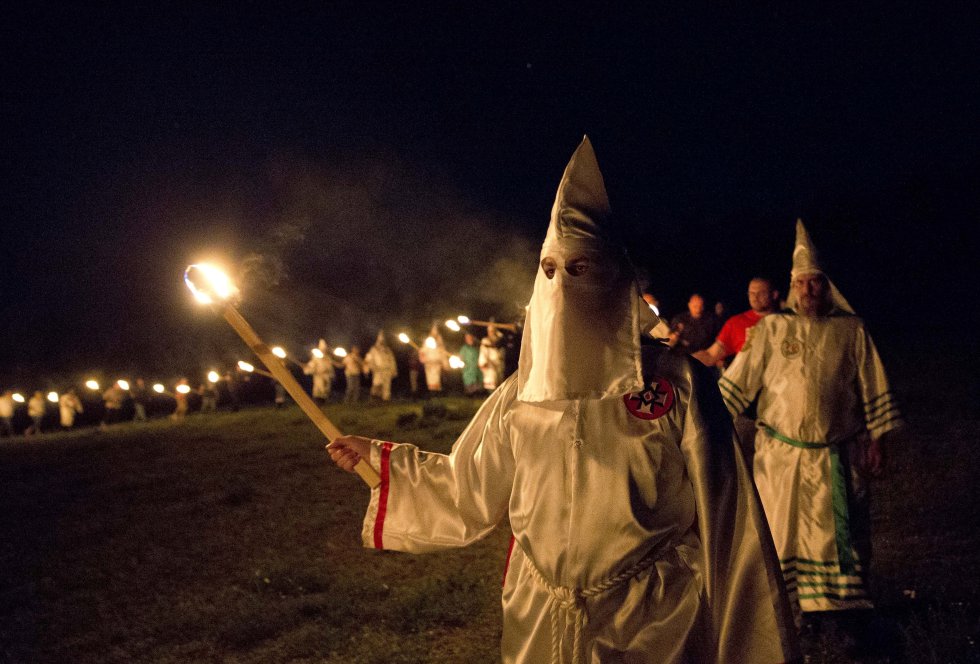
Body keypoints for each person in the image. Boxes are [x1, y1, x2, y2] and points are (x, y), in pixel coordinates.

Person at [328, 137, 799, 663]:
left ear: (614, 278)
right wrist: (376, 459)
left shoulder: (675, 386)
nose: (565, 285)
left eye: (581, 269)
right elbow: (468, 486)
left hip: (651, 618)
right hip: (541, 614)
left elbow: (728, 516)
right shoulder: (520, 394)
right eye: (551, 270)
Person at [720, 220, 904, 654]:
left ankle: (839, 619)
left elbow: (871, 382)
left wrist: (877, 436)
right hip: (779, 458)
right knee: (780, 536)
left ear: (827, 286)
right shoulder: (770, 332)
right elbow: (737, 383)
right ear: (792, 288)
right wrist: (705, 420)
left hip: (833, 456)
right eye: (801, 284)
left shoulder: (852, 331)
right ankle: (790, 617)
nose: (808, 291)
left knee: (836, 541)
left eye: (815, 283)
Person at [364, 331, 398, 401]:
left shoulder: (388, 350)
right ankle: (374, 398)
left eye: (383, 341)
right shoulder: (373, 349)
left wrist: (394, 370)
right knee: (376, 384)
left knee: (387, 385)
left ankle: (386, 399)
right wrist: (366, 369)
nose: (382, 342)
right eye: (380, 341)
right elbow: (368, 360)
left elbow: (392, 361)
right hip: (378, 370)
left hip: (387, 370)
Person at [418, 324, 449, 393]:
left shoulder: (440, 344)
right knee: (431, 380)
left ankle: (437, 394)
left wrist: (445, 364)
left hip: (437, 364)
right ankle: (432, 393)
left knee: (437, 380)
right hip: (429, 364)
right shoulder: (428, 342)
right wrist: (422, 356)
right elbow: (423, 352)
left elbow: (443, 354)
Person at [304, 339, 336, 403]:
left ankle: (324, 402)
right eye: (322, 350)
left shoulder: (328, 358)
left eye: (324, 350)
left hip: (327, 376)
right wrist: (308, 369)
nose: (324, 351)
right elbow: (311, 366)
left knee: (326, 390)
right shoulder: (316, 358)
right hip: (318, 376)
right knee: (318, 390)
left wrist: (332, 375)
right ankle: (316, 403)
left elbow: (330, 367)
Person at [478, 323, 506, 391]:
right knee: (491, 380)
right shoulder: (485, 340)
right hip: (490, 363)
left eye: (493, 331)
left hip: (499, 363)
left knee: (500, 380)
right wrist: (483, 362)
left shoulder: (499, 340)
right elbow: (483, 352)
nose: (492, 333)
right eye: (490, 331)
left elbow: (502, 351)